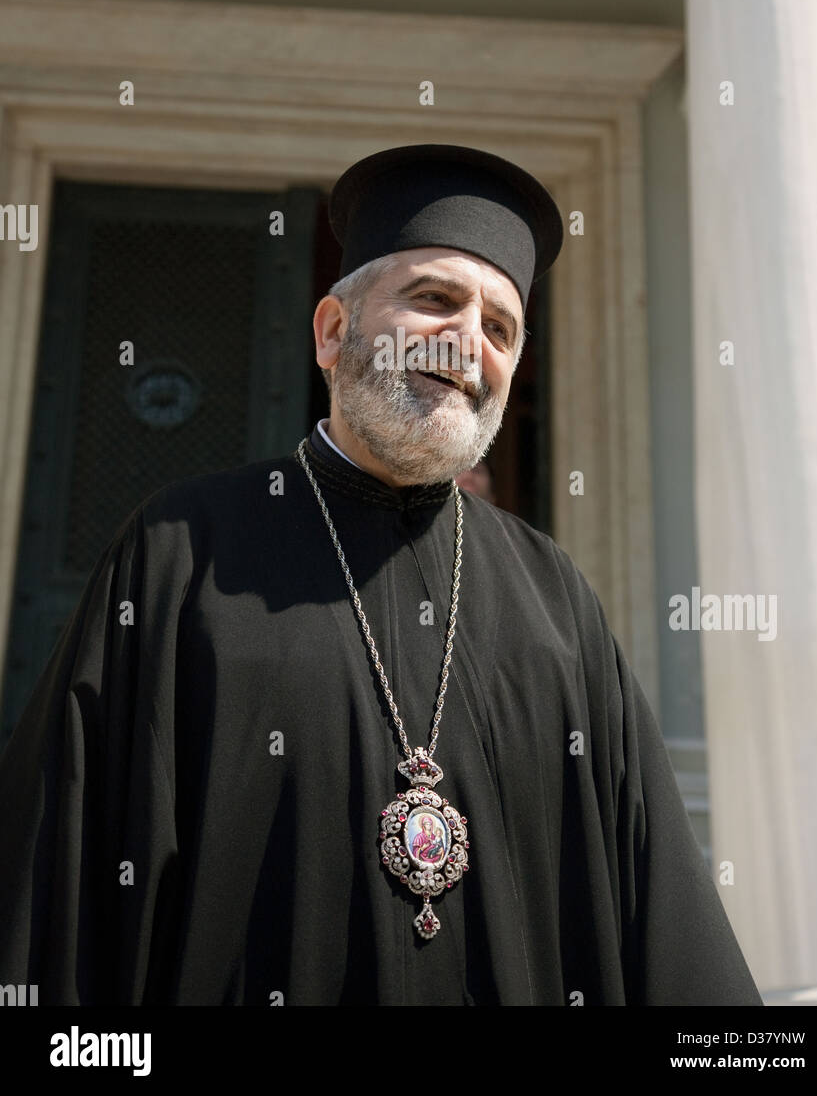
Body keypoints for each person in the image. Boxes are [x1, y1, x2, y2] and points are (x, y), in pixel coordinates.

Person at [0, 142, 763, 1006]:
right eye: (433, 299)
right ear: (332, 333)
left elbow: (655, 900)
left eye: (500, 328)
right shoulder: (181, 551)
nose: (466, 342)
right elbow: (62, 880)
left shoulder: (555, 601)